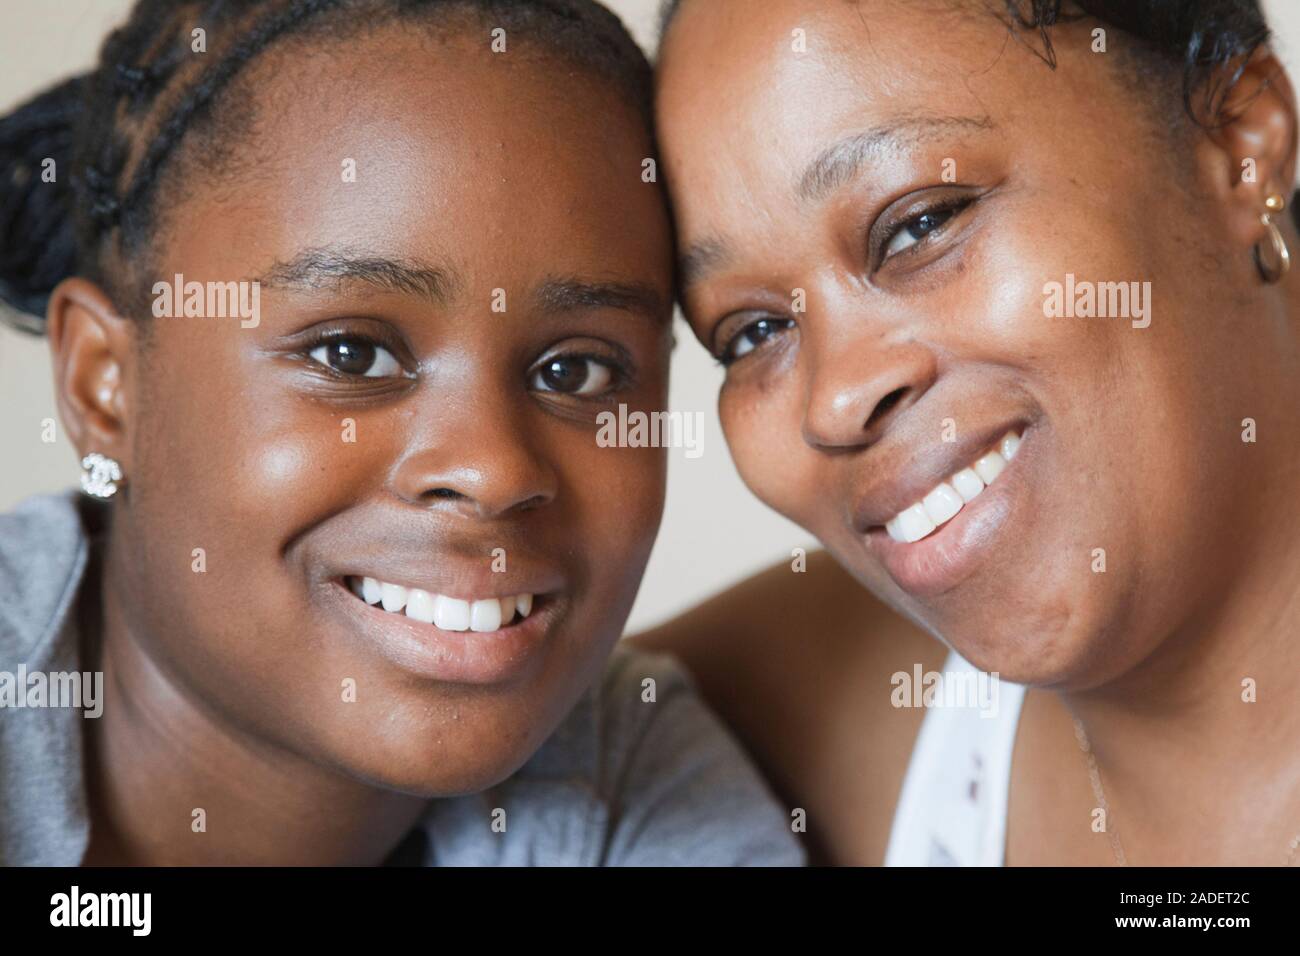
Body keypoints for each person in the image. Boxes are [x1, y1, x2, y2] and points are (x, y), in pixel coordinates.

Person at [0, 0, 803, 867]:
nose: (492, 469)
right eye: (352, 355)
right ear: (105, 387)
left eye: (578, 372)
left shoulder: (627, 784)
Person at [639, 0, 1300, 866]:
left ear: (1238, 145)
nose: (834, 401)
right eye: (753, 333)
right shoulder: (811, 703)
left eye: (921, 223)